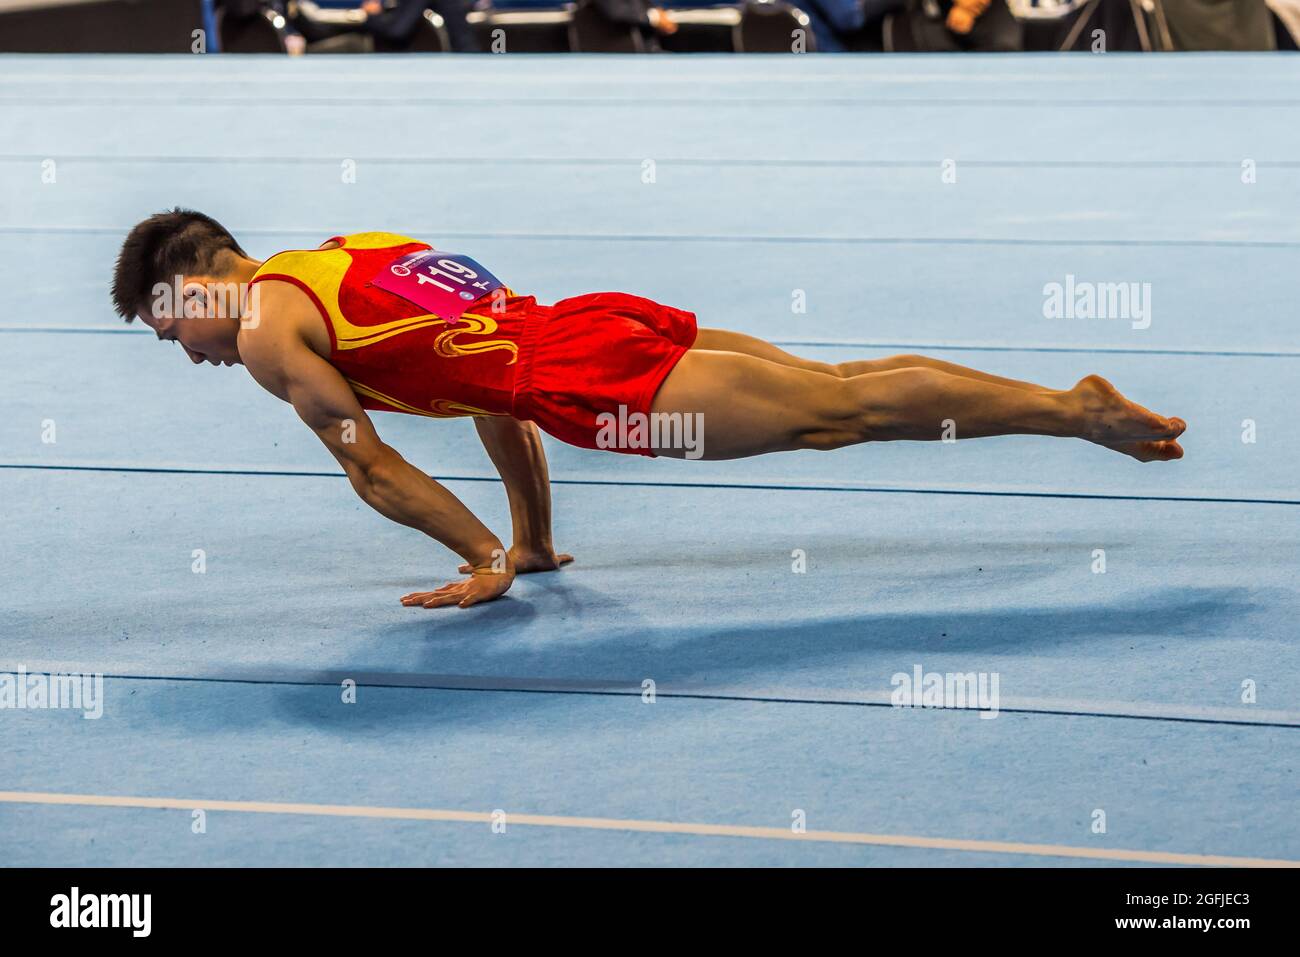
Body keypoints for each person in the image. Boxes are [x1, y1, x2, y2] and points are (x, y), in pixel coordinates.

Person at [111, 210, 1186, 609]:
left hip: (586, 376)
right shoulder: (350, 246)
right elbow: (492, 383)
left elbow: (371, 467)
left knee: (838, 414)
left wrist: (481, 560)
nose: (189, 355)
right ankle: (1064, 407)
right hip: (582, 327)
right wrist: (527, 542)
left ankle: (1070, 410)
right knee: (837, 387)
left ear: (195, 286)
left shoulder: (263, 331)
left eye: (173, 333)